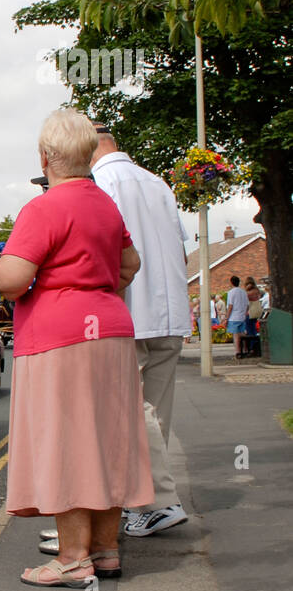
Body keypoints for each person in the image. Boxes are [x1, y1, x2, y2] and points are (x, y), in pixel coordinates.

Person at [0, 109, 152, 588]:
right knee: (106, 440)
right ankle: (105, 551)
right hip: (112, 332)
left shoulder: (42, 208)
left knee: (66, 442)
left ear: (45, 157)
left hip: (59, 337)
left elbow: (13, 279)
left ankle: (72, 559)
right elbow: (130, 265)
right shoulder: (105, 205)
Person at [89, 124, 190, 538]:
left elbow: (100, 248)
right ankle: (142, 507)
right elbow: (181, 245)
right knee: (156, 411)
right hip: (171, 312)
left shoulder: (100, 183)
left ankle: (158, 501)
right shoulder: (157, 182)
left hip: (130, 312)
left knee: (129, 411)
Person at [225, 275, 248, 356]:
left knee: (236, 335)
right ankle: (245, 349)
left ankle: (238, 351)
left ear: (231, 282)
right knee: (243, 334)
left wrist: (226, 318)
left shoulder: (231, 292)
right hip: (242, 316)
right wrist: (245, 313)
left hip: (234, 317)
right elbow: (247, 305)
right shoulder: (244, 292)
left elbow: (230, 306)